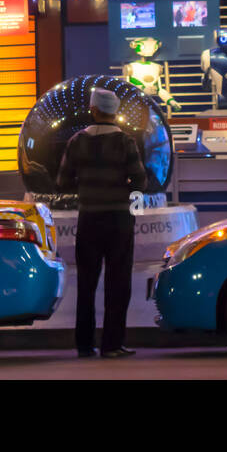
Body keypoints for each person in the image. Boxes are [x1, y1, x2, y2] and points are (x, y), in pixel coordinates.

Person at [57, 88, 147, 359]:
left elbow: (62, 182)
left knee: (86, 283)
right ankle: (112, 345)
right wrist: (133, 211)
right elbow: (140, 181)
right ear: (114, 112)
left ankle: (84, 345)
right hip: (119, 220)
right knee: (118, 282)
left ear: (94, 110)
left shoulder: (76, 141)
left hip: (89, 219)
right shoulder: (126, 142)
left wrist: (84, 188)